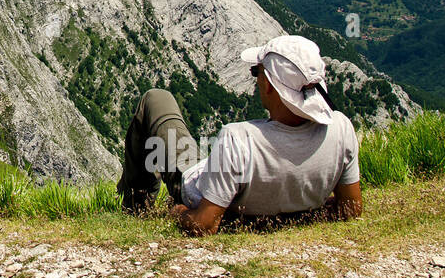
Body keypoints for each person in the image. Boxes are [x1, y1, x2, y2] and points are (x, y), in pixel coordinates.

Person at [118, 34, 362, 236]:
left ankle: (136, 206)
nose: (256, 79)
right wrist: (302, 214)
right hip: (236, 194)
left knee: (156, 98)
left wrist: (178, 212)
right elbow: (350, 208)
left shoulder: (238, 138)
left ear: (268, 84)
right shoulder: (341, 128)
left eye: (257, 72)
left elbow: (205, 224)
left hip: (201, 186)